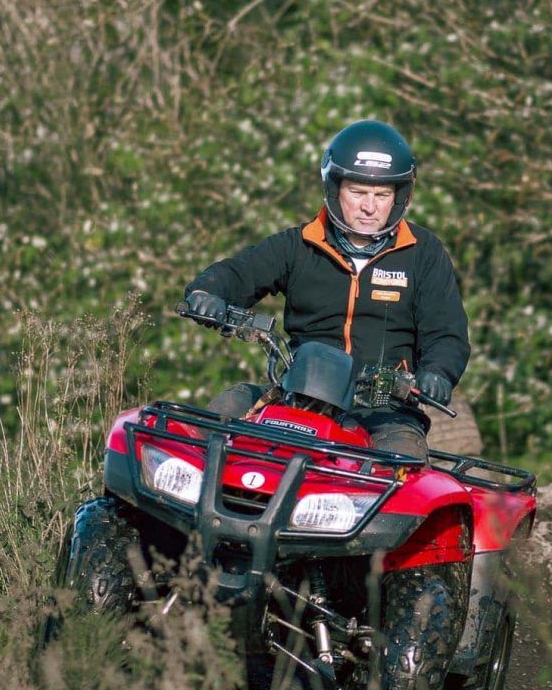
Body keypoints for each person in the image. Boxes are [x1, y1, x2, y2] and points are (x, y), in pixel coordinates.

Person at [183, 120, 469, 459]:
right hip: (300, 393)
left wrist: (437, 372)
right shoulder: (300, 244)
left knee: (402, 464)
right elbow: (238, 272)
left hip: (385, 410)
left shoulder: (424, 252)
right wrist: (205, 293)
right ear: (335, 189)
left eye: (382, 195)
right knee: (225, 408)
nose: (369, 207)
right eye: (358, 192)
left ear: (399, 197)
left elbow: (447, 332)